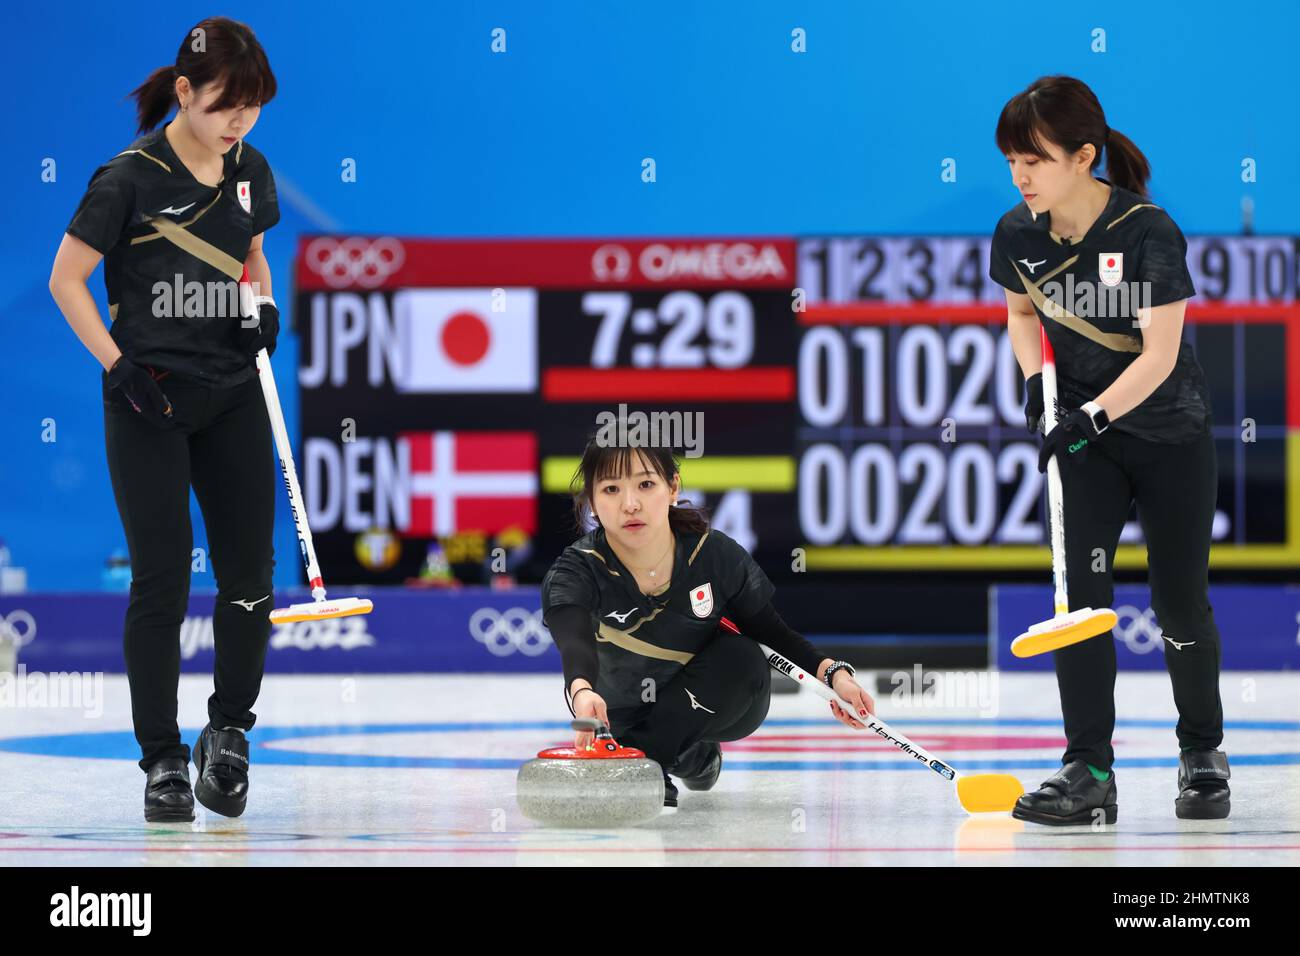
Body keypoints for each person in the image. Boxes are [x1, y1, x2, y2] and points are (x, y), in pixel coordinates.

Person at [48, 17, 280, 821]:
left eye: (252, 107)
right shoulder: (128, 179)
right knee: (163, 579)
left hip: (232, 393)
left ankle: (230, 730)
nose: (239, 123)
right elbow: (66, 280)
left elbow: (250, 251)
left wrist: (264, 305)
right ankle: (161, 760)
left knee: (250, 576)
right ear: (184, 93)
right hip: (147, 395)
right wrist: (117, 366)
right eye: (225, 106)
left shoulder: (250, 168)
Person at [989, 75, 1229, 824]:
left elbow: (1159, 356)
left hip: (1168, 438)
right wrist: (1036, 385)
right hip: (1085, 447)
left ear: (1084, 156)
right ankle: (1088, 769)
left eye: (1035, 159)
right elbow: (1022, 313)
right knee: (1081, 607)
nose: (1020, 175)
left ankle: (1202, 754)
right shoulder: (1017, 234)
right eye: (1010, 161)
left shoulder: (1149, 232)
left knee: (1178, 603)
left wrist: (1089, 413)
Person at [540, 439, 876, 807]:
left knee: (743, 656)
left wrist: (834, 675)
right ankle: (686, 756)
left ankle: (647, 760)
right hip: (619, 711)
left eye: (646, 484)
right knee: (642, 733)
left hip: (716, 701)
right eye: (611, 489)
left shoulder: (712, 554)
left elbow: (771, 632)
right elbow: (574, 641)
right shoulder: (575, 570)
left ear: (673, 487)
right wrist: (582, 690)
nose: (630, 504)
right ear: (591, 500)